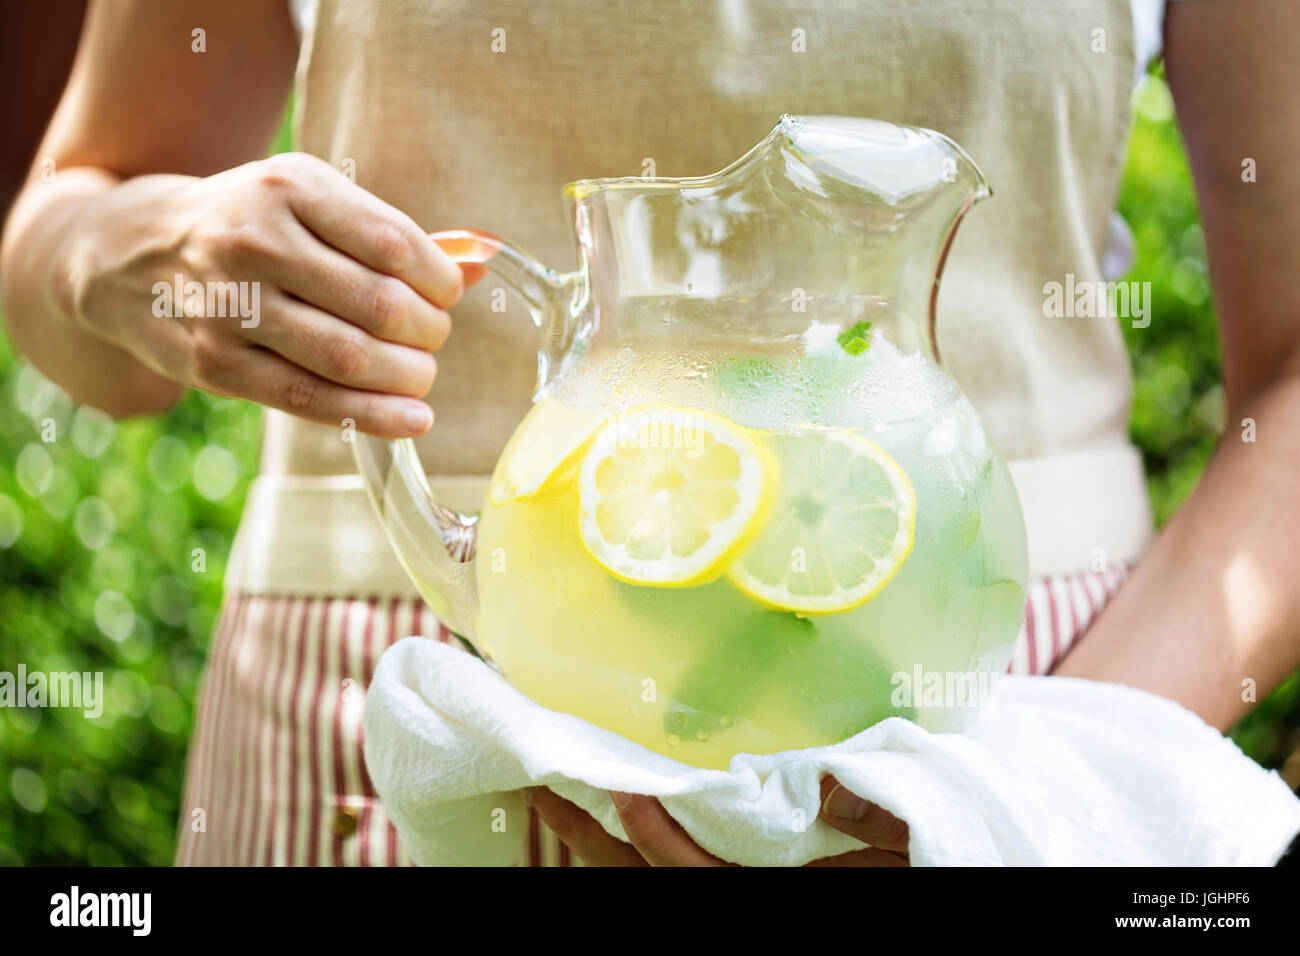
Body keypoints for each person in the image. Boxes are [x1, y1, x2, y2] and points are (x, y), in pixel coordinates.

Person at [2, 0, 1297, 867]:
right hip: (388, 712)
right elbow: (76, 207)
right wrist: (137, 254)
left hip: (1020, 693)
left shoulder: (1009, 779)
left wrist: (1003, 805)